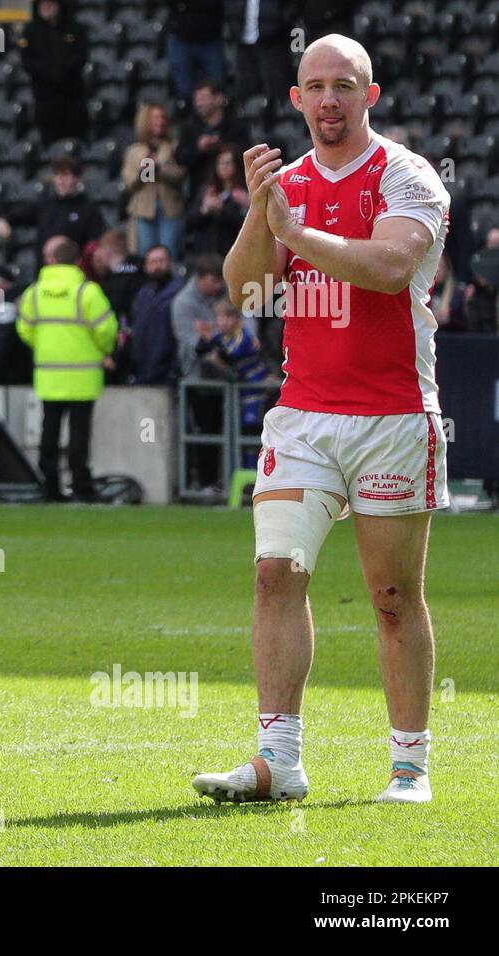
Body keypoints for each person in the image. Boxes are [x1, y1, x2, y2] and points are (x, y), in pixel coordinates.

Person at [195, 35, 452, 806]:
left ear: (370, 95)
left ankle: (409, 768)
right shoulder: (289, 183)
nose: (330, 99)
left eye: (345, 85)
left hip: (391, 415)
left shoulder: (407, 176)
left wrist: (296, 232)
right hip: (303, 415)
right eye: (315, 86)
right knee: (277, 574)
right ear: (296, 99)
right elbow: (245, 295)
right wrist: (258, 215)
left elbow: (389, 267)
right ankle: (279, 762)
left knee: (392, 597)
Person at [16, 236, 117, 502]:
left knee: (49, 433)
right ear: (77, 261)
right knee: (79, 437)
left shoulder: (34, 293)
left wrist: (46, 347)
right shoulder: (88, 292)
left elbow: (24, 330)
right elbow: (107, 331)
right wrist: (101, 351)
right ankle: (82, 486)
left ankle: (50, 488)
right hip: (84, 376)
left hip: (49, 375)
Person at [194, 298, 271, 463]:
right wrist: (204, 338)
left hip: (255, 392)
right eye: (220, 318)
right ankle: (242, 476)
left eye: (228, 318)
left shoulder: (243, 336)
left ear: (237, 319)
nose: (224, 322)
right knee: (236, 435)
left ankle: (254, 476)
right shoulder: (220, 336)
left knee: (251, 433)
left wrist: (212, 346)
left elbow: (230, 356)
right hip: (239, 393)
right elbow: (200, 351)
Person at [0, 155, 107, 260]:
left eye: (66, 175)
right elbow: (16, 215)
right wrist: (3, 219)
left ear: (77, 178)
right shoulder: (45, 204)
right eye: (57, 175)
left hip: (74, 271)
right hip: (45, 271)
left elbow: (95, 242)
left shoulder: (88, 209)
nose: (61, 180)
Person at [18, 0, 89, 147]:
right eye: (42, 3)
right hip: (45, 99)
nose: (45, 7)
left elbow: (81, 56)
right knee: (50, 142)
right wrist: (48, 71)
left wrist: (62, 70)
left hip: (72, 98)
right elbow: (27, 61)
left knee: (76, 140)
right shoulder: (30, 31)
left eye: (50, 3)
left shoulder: (75, 28)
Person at [122, 103, 188, 258]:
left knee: (170, 254)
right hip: (143, 210)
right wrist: (144, 171)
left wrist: (159, 168)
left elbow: (181, 175)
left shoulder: (174, 147)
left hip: (170, 209)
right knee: (145, 256)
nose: (161, 121)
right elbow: (130, 183)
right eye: (155, 117)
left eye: (163, 117)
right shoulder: (134, 151)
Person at [176, 81, 246, 196]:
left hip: (234, 191)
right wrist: (198, 149)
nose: (198, 104)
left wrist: (220, 146)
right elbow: (180, 158)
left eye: (203, 98)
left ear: (218, 98)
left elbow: (244, 153)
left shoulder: (236, 125)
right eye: (196, 99)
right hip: (199, 192)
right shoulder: (190, 128)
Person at [125, 244, 182, 385]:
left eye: (161, 261)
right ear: (145, 266)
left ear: (169, 263)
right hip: (143, 369)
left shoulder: (179, 292)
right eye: (152, 261)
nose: (157, 266)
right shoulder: (143, 295)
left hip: (168, 370)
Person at [186, 144, 251, 256]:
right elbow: (189, 223)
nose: (223, 166)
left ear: (236, 165)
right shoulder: (207, 190)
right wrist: (205, 209)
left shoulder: (244, 192)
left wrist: (224, 209)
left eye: (228, 163)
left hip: (234, 252)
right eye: (220, 163)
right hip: (206, 253)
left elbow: (247, 226)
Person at [171, 252, 227, 378]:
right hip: (197, 369)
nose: (220, 285)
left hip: (234, 361)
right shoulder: (182, 302)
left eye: (222, 280)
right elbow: (192, 343)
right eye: (215, 281)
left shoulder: (229, 291)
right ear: (199, 278)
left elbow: (247, 318)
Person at [166, 0, 226, 104]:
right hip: (182, 40)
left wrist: (187, 5)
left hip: (211, 41)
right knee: (184, 91)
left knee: (217, 89)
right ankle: (188, 118)